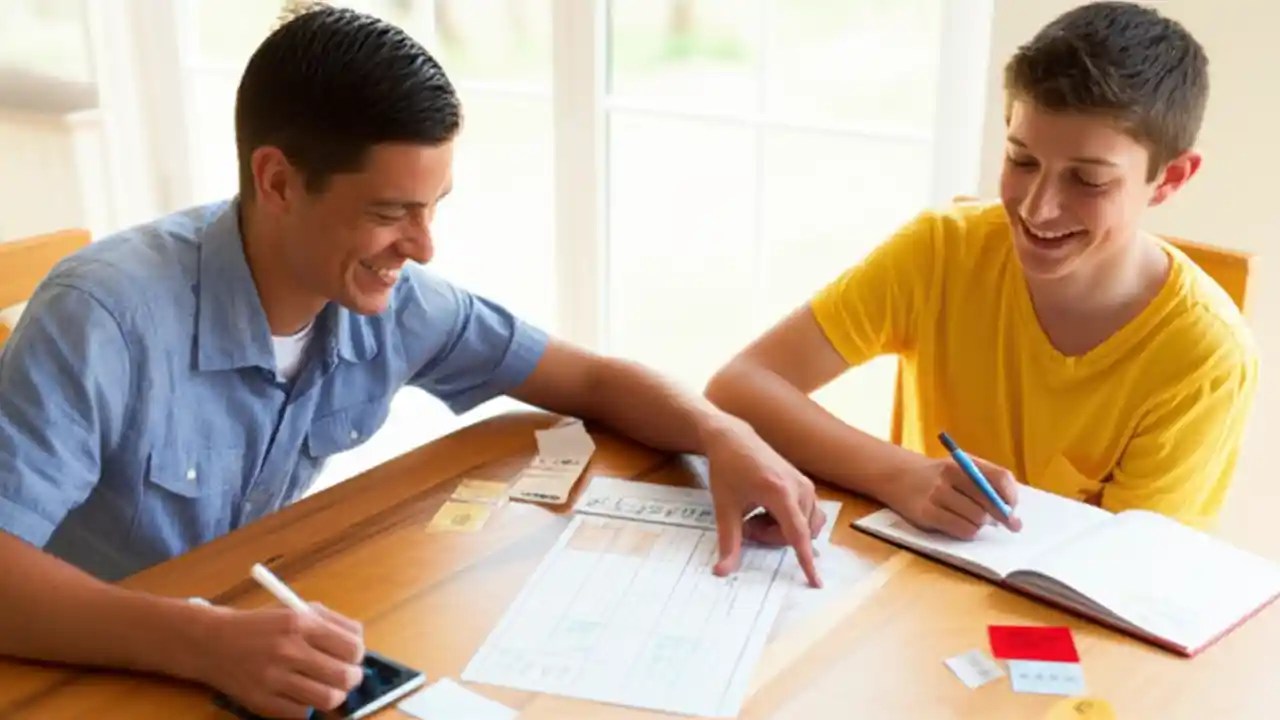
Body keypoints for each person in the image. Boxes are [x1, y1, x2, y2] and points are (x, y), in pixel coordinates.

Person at [0, 5, 824, 717]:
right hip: (74, 668)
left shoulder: (391, 301)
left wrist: (725, 437)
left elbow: (592, 380)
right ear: (279, 181)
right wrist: (207, 641)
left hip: (244, 643)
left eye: (433, 208)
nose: (423, 247)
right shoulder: (102, 316)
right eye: (391, 212)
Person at [706, 2, 1256, 542]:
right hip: (911, 584)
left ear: (1171, 179)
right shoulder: (942, 250)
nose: (1038, 209)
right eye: (1022, 160)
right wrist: (897, 473)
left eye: (1087, 181)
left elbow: (1133, 572)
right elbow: (739, 387)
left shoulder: (1204, 356)